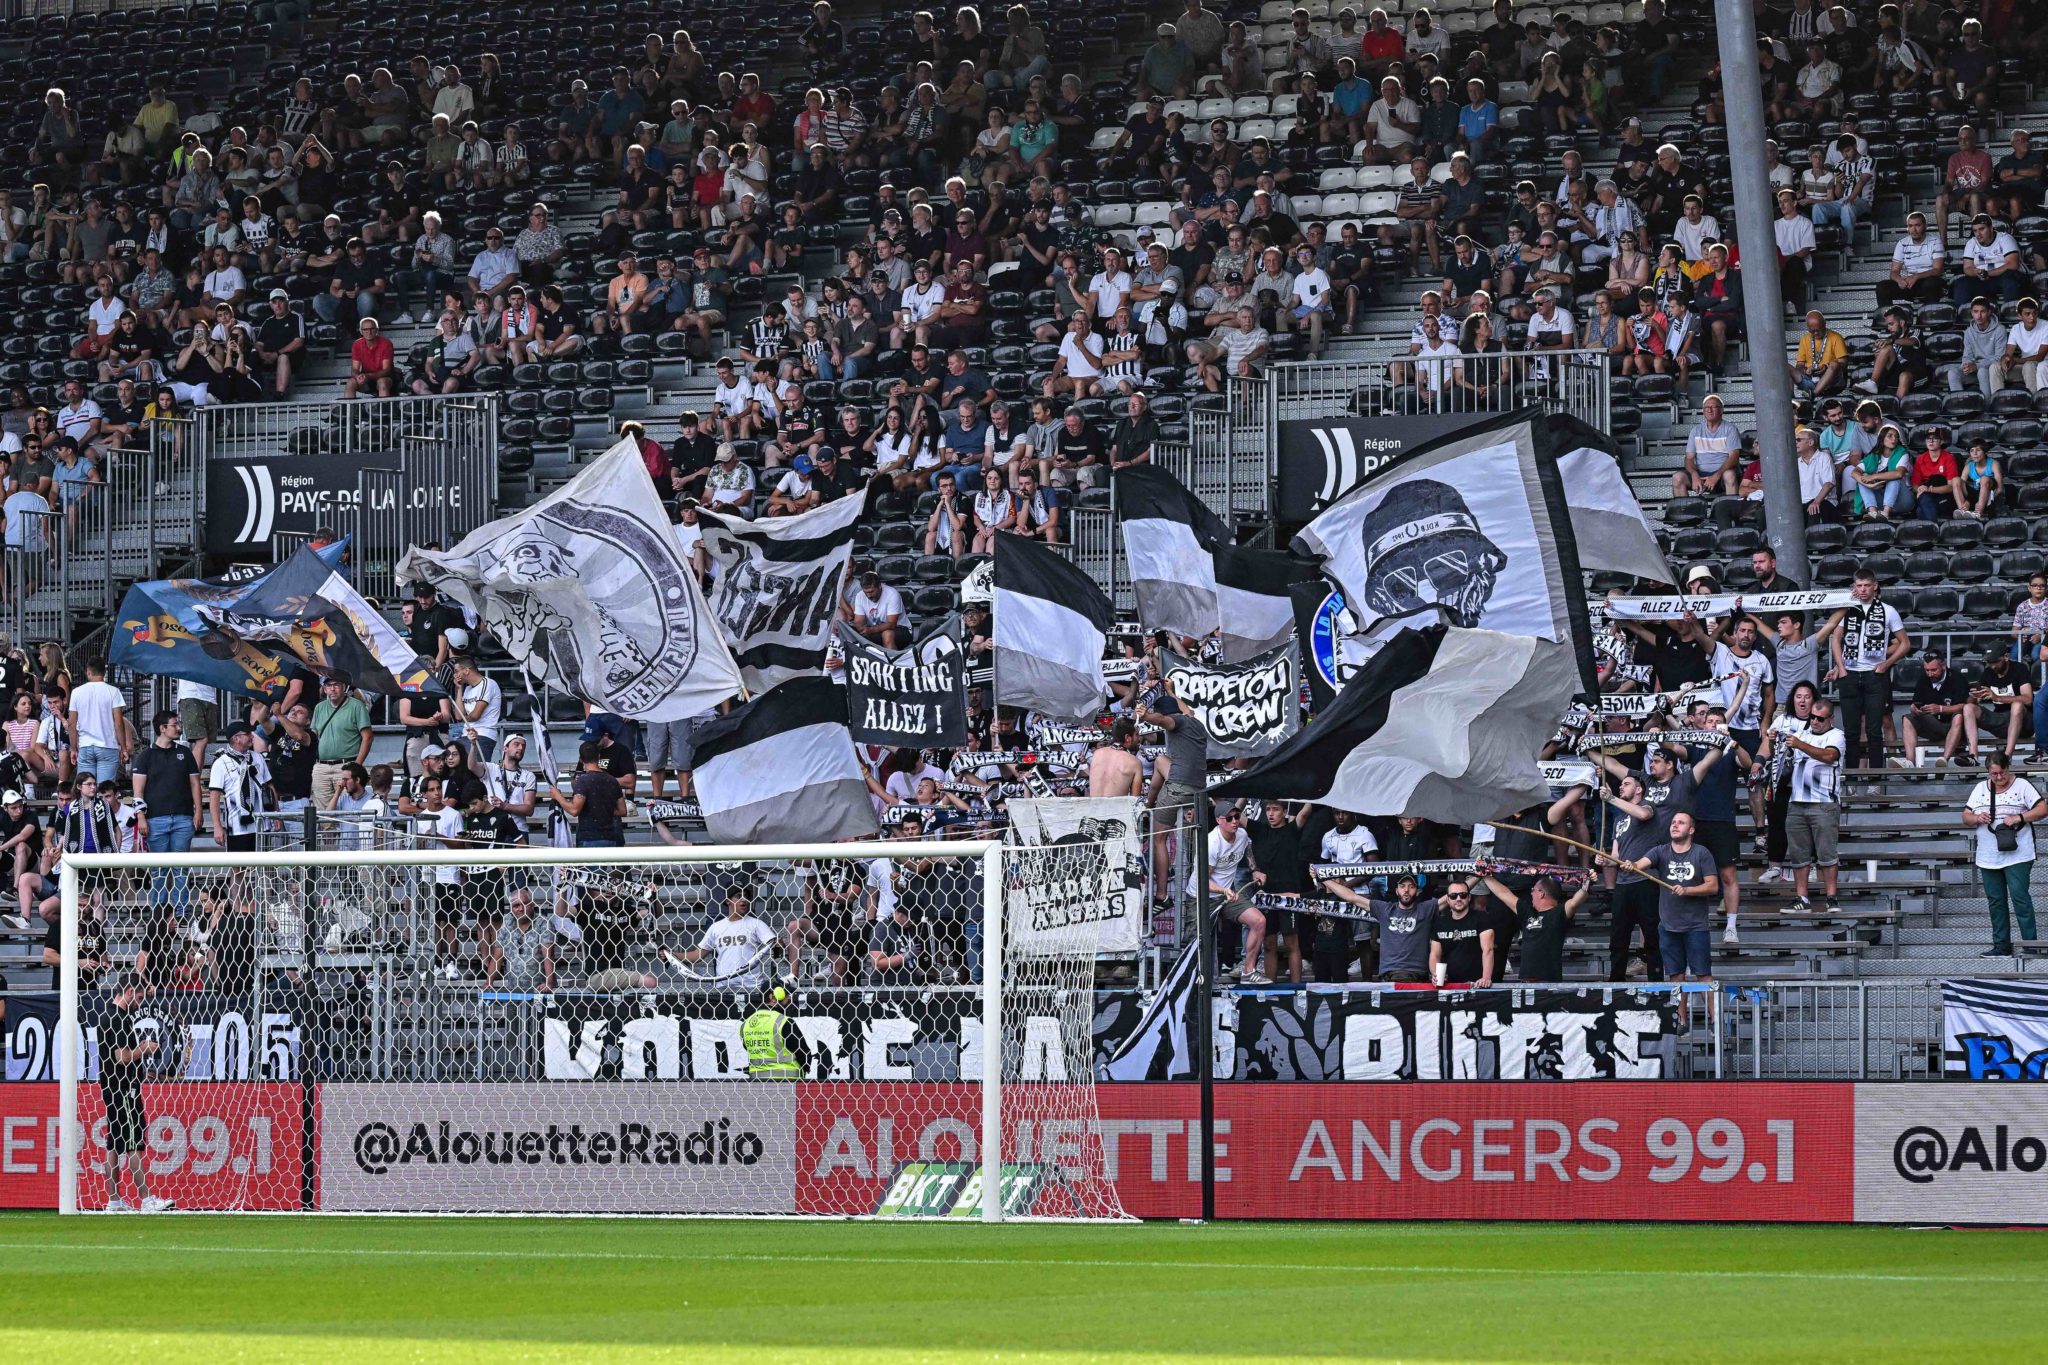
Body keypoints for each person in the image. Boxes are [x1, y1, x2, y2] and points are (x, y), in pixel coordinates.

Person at [96, 973, 174, 1212]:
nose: (139, 1004)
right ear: (128, 991)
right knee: (133, 1144)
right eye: (138, 998)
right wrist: (145, 1048)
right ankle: (147, 1200)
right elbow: (123, 1057)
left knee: (113, 1144)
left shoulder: (105, 1015)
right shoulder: (118, 1019)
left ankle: (114, 1200)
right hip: (124, 1089)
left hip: (111, 1088)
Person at [1963, 751, 2047, 957]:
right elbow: (1965, 816)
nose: (1999, 778)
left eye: (2002, 773)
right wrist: (1976, 818)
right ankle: (2002, 945)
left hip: (2019, 852)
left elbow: (2042, 809)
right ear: (1988, 773)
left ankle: (2031, 945)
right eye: (1994, 774)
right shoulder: (1980, 788)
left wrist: (2019, 817)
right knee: (1995, 901)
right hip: (1988, 854)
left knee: (2020, 897)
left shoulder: (2022, 785)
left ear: (2008, 768)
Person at [1825, 569, 1909, 771]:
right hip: (1850, 674)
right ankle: (1852, 778)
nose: (1862, 590)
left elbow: (1905, 644)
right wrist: (1841, 667)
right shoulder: (1847, 608)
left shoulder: (1888, 610)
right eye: (1858, 586)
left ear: (1875, 586)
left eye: (1865, 585)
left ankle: (1875, 779)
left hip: (1874, 674)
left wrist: (1886, 664)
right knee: (1851, 731)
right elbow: (1835, 638)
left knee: (1874, 730)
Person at [1628, 810, 1718, 985]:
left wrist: (1687, 890)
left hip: (1696, 927)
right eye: (1673, 822)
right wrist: (1629, 865)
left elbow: (1713, 886)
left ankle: (1714, 1014)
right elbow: (1639, 865)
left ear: (1691, 830)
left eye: (1681, 822)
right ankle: (1680, 1014)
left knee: (1703, 976)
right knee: (1676, 979)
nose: (1675, 825)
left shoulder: (1701, 853)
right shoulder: (1660, 851)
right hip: (1668, 927)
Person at [1781, 695, 1845, 914]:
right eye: (1812, 717)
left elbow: (1829, 756)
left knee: (1827, 853)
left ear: (1831, 719)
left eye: (1820, 718)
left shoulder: (1837, 735)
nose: (1816, 722)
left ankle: (1832, 897)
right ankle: (1802, 898)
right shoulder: (1801, 733)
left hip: (1824, 802)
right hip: (1797, 801)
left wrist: (1799, 744)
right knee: (1798, 855)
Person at [1477, 867, 1587, 983]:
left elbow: (1575, 901)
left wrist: (1587, 882)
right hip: (1526, 980)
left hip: (1549, 981)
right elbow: (1503, 893)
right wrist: (1484, 874)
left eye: (1533, 890)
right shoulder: (1527, 912)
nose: (1531, 893)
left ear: (1541, 893)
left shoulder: (1559, 912)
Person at [677, 879, 777, 990]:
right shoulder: (716, 927)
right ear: (728, 901)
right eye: (738, 896)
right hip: (724, 988)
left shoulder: (756, 924)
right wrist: (672, 954)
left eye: (746, 896)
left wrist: (778, 945)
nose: (744, 900)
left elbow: (775, 945)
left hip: (752, 987)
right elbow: (697, 956)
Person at [1899, 651, 1978, 767]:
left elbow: (1964, 706)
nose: (1930, 674)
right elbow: (1915, 703)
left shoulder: (1957, 678)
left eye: (1933, 670)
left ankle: (1944, 759)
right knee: (1907, 718)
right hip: (1932, 724)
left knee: (1958, 716)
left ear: (1943, 665)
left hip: (1954, 726)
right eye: (1927, 670)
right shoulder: (1923, 679)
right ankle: (1909, 761)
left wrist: (1941, 709)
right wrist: (1914, 709)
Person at [549, 741, 626, 846]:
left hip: (589, 839)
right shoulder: (612, 780)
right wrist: (603, 809)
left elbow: (574, 810)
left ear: (581, 759)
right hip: (610, 838)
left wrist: (558, 796)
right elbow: (622, 811)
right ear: (599, 756)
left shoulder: (582, 781)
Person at [207, 721, 265, 851]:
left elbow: (269, 787)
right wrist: (217, 826)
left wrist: (276, 815)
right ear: (236, 738)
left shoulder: (258, 757)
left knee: (263, 866)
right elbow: (214, 797)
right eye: (248, 734)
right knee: (238, 867)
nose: (252, 736)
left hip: (262, 824)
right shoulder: (221, 763)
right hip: (237, 825)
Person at [740, 979, 813, 1078]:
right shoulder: (783, 1022)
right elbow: (803, 1053)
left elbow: (747, 1047)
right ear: (772, 997)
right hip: (787, 1083)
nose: (789, 998)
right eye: (785, 994)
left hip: (756, 1083)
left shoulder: (746, 1023)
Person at [1427, 876, 1492, 986]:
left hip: (1476, 984)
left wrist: (1485, 978)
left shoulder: (1481, 918)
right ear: (1447, 900)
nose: (1458, 899)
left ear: (1469, 897)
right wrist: (1435, 975)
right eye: (1453, 896)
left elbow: (1488, 949)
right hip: (1448, 985)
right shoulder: (1440, 923)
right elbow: (1434, 954)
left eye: (1463, 895)